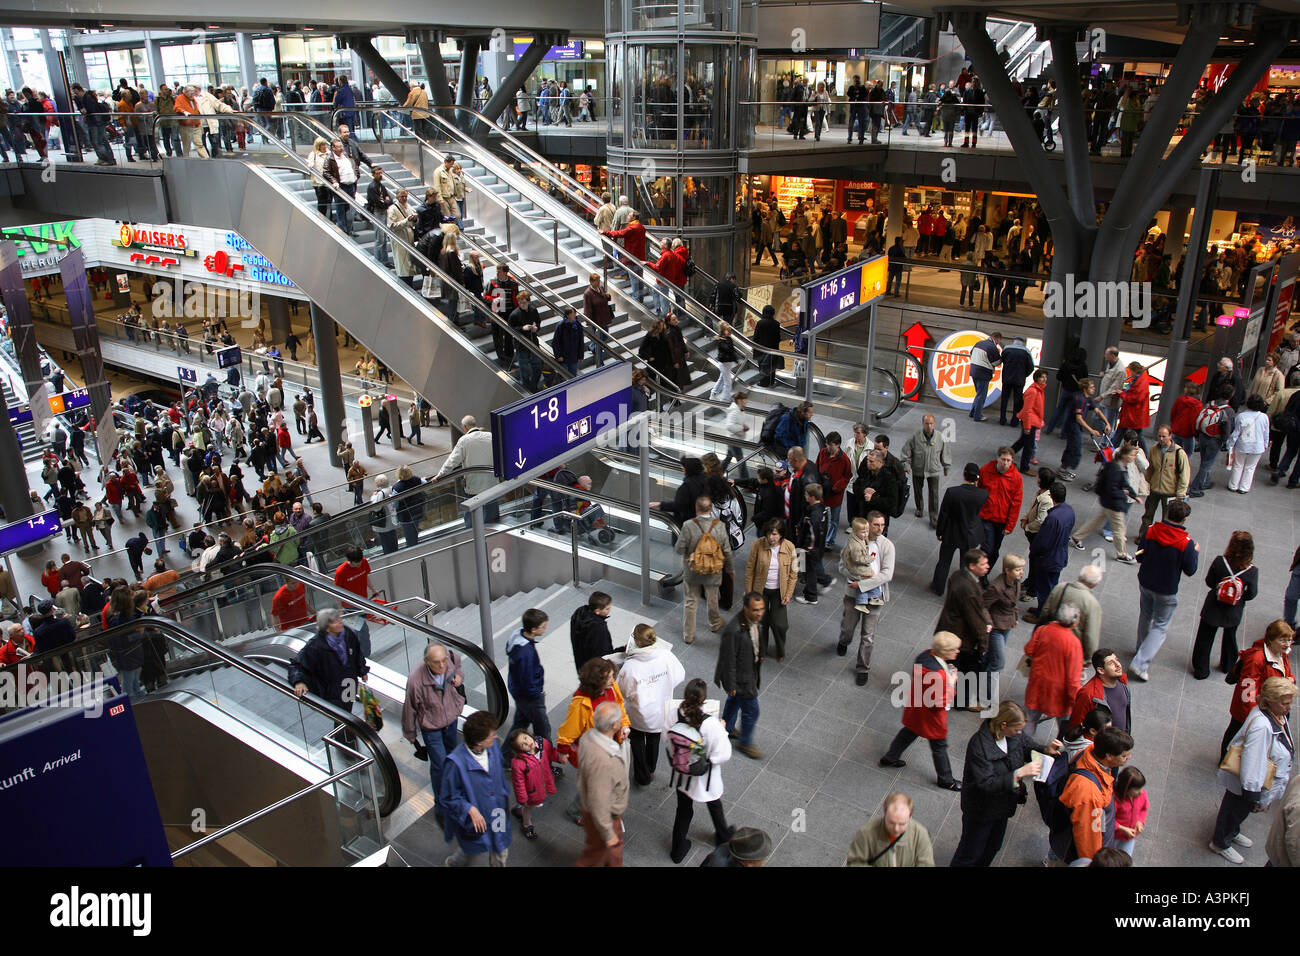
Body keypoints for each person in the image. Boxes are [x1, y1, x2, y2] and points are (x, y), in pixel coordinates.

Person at [951, 702, 1063, 866]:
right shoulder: (979, 746)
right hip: (981, 810)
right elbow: (986, 784)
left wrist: (1046, 750)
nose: (1019, 733)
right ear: (1004, 725)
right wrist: (1019, 774)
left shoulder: (1013, 735)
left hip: (1002, 806)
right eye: (1017, 729)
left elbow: (1027, 746)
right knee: (970, 852)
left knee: (993, 846)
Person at [1210, 677, 1296, 864]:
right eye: (1285, 703)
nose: (1289, 707)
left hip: (1253, 783)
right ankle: (1220, 842)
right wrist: (1252, 793)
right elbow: (1252, 761)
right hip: (1248, 784)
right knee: (1234, 809)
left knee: (1238, 811)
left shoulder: (1276, 715)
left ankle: (1232, 832)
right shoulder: (1261, 726)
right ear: (1271, 700)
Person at [880, 631, 963, 790]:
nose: (957, 651)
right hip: (931, 717)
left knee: (908, 732)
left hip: (917, 708)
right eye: (954, 649)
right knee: (939, 745)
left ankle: (890, 757)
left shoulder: (924, 656)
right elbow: (939, 702)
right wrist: (951, 683)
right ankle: (946, 779)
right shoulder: (938, 674)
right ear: (945, 652)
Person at [1131, 498, 1200, 681]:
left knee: (1145, 615)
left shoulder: (1151, 530)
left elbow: (1139, 555)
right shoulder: (1186, 543)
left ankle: (1140, 649)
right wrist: (1196, 552)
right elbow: (1190, 570)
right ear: (1184, 520)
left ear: (1167, 513)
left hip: (1145, 582)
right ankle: (1141, 662)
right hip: (1166, 589)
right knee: (1160, 625)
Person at [667, 677, 734, 863]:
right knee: (714, 805)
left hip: (682, 774)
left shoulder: (674, 713)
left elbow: (668, 738)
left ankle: (677, 850)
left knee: (683, 811)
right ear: (704, 700)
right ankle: (723, 837)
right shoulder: (711, 724)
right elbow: (723, 753)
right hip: (705, 777)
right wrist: (723, 730)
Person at [439, 711, 511, 867]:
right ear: (479, 742)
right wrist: (469, 808)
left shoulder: (492, 748)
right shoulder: (455, 763)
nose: (495, 736)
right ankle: (454, 863)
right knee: (472, 853)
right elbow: (448, 797)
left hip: (497, 813)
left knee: (501, 850)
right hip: (476, 822)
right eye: (491, 735)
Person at [617, 623, 685, 787]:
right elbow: (680, 675)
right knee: (654, 740)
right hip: (661, 710)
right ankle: (651, 768)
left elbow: (622, 691)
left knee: (638, 741)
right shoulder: (666, 655)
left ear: (637, 642)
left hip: (639, 714)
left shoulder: (630, 666)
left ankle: (642, 774)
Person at [1055, 727, 1134, 865]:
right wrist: (1098, 863)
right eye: (1124, 755)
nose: (1129, 758)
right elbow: (1088, 838)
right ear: (1109, 756)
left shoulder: (1093, 753)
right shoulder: (1088, 793)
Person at [403, 643, 466, 812]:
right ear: (426, 662)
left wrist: (458, 677)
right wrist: (410, 732)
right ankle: (442, 802)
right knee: (440, 765)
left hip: (450, 720)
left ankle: (455, 791)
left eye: (444, 660)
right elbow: (409, 707)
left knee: (452, 757)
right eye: (436, 662)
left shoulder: (450, 660)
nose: (442, 666)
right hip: (431, 727)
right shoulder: (416, 680)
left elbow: (458, 666)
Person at [1192, 531, 1259, 680]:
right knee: (1230, 637)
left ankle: (1201, 670)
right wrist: (1239, 598)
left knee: (1204, 638)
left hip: (1213, 607)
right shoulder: (1252, 571)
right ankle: (1227, 665)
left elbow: (1209, 582)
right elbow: (1252, 594)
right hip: (1233, 610)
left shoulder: (1219, 561)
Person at [837, 513, 895, 686]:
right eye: (876, 525)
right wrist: (855, 578)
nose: (880, 528)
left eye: (882, 525)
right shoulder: (854, 542)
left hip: (875, 595)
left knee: (868, 636)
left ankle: (863, 668)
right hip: (852, 594)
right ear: (868, 525)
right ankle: (844, 640)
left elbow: (887, 574)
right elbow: (842, 566)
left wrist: (863, 585)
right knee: (848, 627)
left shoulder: (887, 546)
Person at [1223, 620, 1294, 759]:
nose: (1287, 644)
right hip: (1251, 709)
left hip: (1268, 706)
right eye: (1283, 640)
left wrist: (1290, 679)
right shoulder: (1257, 658)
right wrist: (1252, 717)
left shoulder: (1282, 653)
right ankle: (1226, 761)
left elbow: (1287, 673)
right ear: (1271, 639)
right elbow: (1247, 690)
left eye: (1289, 640)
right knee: (1235, 733)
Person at [575, 701, 630, 867]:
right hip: (604, 815)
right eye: (620, 720)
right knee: (598, 854)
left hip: (591, 810)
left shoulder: (588, 737)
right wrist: (608, 833)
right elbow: (599, 799)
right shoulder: (605, 761)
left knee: (599, 852)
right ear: (614, 725)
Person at [1022, 603, 1085, 738]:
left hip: (1037, 683)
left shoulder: (1042, 630)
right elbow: (1073, 678)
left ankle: (1022, 746)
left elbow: (1029, 650)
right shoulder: (1074, 643)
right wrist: (1076, 700)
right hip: (1059, 693)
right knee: (1065, 725)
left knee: (1030, 719)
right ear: (1074, 622)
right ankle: (1058, 752)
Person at [676, 496, 732, 645]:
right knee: (712, 598)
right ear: (711, 509)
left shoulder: (688, 525)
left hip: (693, 571)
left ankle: (688, 634)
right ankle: (714, 623)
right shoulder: (719, 526)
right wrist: (730, 568)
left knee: (690, 602)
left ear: (697, 509)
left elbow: (679, 548)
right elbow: (727, 550)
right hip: (713, 571)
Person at [1069, 443, 1139, 563]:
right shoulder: (1117, 468)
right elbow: (1113, 489)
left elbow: (1122, 484)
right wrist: (1125, 494)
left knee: (1096, 521)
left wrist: (1132, 494)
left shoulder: (1118, 466)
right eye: (1132, 455)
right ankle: (1121, 554)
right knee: (1119, 529)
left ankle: (1076, 537)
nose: (1134, 457)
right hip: (1114, 504)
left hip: (1108, 502)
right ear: (1125, 455)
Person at [716, 592, 766, 760]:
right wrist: (730, 686)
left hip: (749, 671)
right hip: (742, 678)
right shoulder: (733, 630)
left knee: (735, 701)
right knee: (752, 711)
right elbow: (728, 660)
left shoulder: (753, 621)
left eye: (761, 609)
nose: (759, 613)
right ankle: (745, 742)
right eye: (755, 610)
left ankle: (727, 727)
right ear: (745, 608)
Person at [937, 548, 993, 696]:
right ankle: (960, 699)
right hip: (961, 636)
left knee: (951, 666)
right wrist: (983, 644)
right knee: (963, 670)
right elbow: (975, 618)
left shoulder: (958, 576)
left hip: (950, 627)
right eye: (983, 564)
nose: (987, 566)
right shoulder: (968, 590)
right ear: (972, 566)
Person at [288, 608, 367, 711]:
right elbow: (297, 665)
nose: (340, 622)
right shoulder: (315, 645)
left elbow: (357, 653)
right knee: (340, 715)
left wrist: (362, 670)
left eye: (339, 618)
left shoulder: (348, 634)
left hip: (349, 683)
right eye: (335, 621)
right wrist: (299, 682)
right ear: (327, 628)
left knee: (348, 711)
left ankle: (346, 726)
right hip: (331, 689)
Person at [931, 462, 988, 595]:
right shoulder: (983, 494)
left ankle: (938, 587)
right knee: (966, 564)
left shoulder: (952, 492)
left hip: (951, 532)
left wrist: (940, 532)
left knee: (944, 562)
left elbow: (944, 513)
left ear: (964, 474)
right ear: (978, 478)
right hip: (970, 534)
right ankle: (962, 590)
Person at [846, 792, 935, 867]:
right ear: (885, 812)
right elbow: (854, 863)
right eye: (891, 823)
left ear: (910, 816)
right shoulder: (866, 833)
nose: (896, 829)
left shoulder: (920, 835)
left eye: (902, 824)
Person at [982, 553, 1024, 709]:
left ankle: (980, 684)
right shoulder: (996, 587)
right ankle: (988, 698)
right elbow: (983, 605)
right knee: (998, 663)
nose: (1021, 573)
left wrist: (1014, 617)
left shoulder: (1016, 582)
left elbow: (1012, 603)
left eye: (1022, 569)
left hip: (1007, 624)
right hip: (996, 627)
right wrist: (988, 622)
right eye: (1018, 570)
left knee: (991, 658)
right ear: (1007, 570)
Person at [1026, 482, 1074, 618]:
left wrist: (1034, 549)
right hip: (1060, 556)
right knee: (1052, 585)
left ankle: (1042, 614)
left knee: (1044, 588)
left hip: (1048, 559)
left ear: (1051, 496)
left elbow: (1043, 542)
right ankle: (1046, 610)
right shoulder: (1069, 511)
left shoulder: (1052, 518)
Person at [507, 608, 552, 743]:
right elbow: (527, 679)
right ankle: (545, 760)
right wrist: (536, 693)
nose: (546, 628)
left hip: (518, 691)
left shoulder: (517, 636)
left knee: (520, 725)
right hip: (530, 697)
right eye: (543, 626)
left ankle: (505, 756)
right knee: (543, 730)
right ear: (533, 630)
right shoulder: (526, 652)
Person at [505, 728, 557, 842]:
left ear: (528, 734)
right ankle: (526, 824)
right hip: (531, 792)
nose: (528, 742)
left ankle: (519, 809)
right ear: (519, 750)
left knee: (530, 805)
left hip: (542, 784)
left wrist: (560, 756)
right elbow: (519, 783)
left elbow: (551, 753)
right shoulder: (519, 763)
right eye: (523, 744)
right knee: (528, 807)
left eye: (525, 738)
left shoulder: (542, 743)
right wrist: (522, 799)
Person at [978, 447, 1023, 567]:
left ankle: (984, 572)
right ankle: (980, 573)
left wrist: (1010, 525)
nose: (1005, 463)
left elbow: (1016, 503)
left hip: (1001, 521)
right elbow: (979, 492)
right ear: (998, 458)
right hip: (986, 517)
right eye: (1003, 459)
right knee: (987, 547)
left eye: (1009, 460)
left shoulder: (1016, 478)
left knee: (994, 550)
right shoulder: (985, 470)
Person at [902, 415, 950, 525]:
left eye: (931, 423)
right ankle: (919, 508)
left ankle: (934, 517)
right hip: (918, 469)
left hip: (933, 470)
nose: (929, 426)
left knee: (934, 494)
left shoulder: (940, 437)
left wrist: (946, 466)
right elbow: (906, 451)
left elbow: (945, 452)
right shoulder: (915, 437)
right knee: (918, 490)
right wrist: (906, 465)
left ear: (934, 424)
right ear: (923, 424)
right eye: (927, 423)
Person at [1058, 377, 1103, 482]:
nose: (1094, 389)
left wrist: (1107, 423)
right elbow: (1079, 418)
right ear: (1085, 388)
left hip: (1076, 427)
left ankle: (1064, 467)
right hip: (1072, 426)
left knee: (1072, 447)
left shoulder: (1087, 399)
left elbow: (1097, 411)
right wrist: (1091, 430)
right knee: (1076, 449)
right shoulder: (1079, 399)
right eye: (1091, 387)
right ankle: (1064, 469)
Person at [1225, 394, 1271, 493]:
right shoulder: (1264, 417)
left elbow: (1236, 433)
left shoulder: (1241, 416)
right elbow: (1266, 433)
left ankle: (1233, 485)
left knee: (1238, 465)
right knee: (1250, 467)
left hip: (1242, 445)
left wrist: (1230, 445)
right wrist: (1265, 444)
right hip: (1257, 446)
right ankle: (1244, 488)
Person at [999, 336, 1035, 426]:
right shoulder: (1026, 351)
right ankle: (1014, 421)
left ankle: (1002, 420)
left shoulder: (1007, 348)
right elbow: (1031, 367)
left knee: (1004, 399)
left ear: (1014, 341)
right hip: (1019, 380)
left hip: (1006, 378)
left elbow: (1001, 360)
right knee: (1017, 401)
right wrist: (1024, 375)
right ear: (1023, 342)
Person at [967, 331, 1002, 422]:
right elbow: (997, 362)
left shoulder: (979, 343)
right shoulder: (992, 347)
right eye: (999, 341)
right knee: (981, 395)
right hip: (983, 373)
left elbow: (971, 353)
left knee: (978, 393)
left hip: (973, 370)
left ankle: (972, 412)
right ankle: (977, 416)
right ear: (997, 338)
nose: (998, 343)